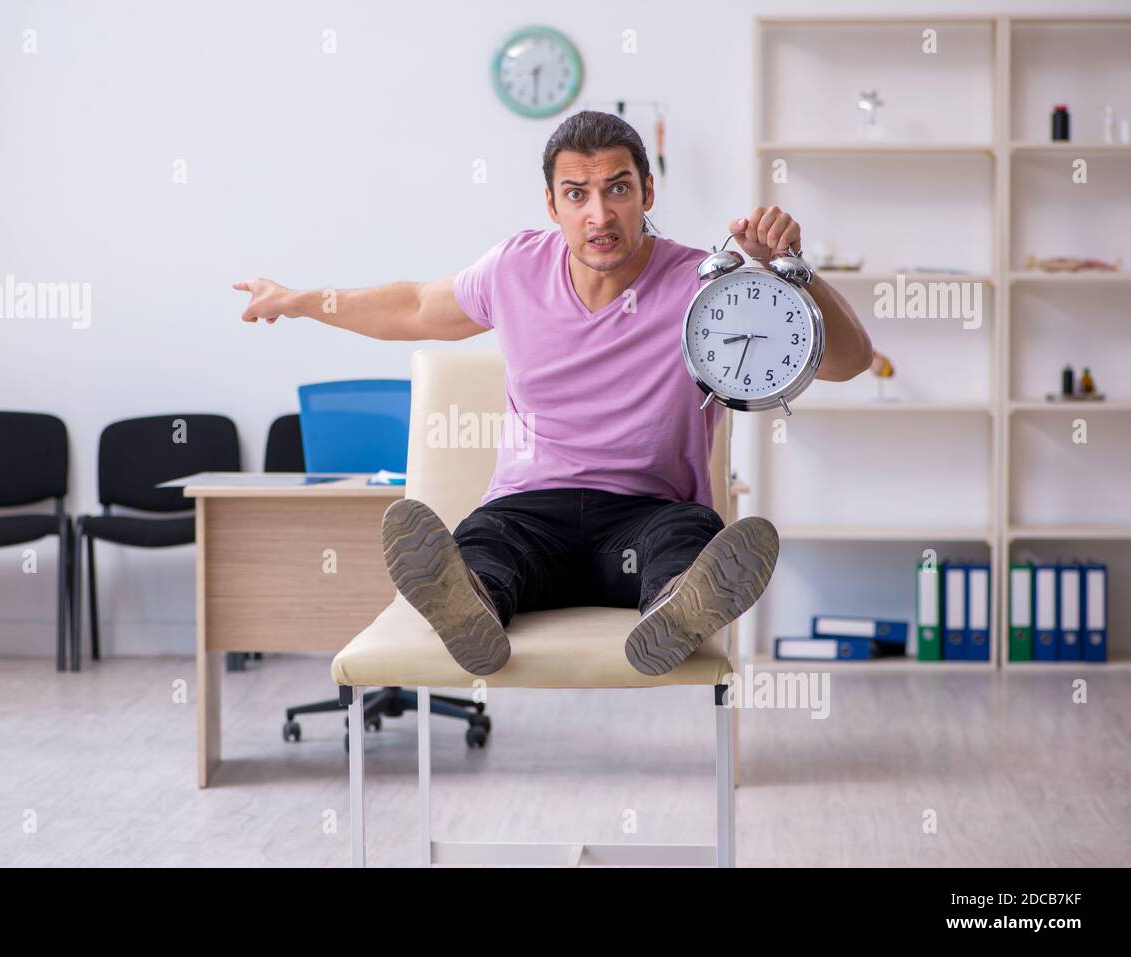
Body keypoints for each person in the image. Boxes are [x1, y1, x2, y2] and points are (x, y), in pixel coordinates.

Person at [234, 110, 873, 677]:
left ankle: (679, 607)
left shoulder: (702, 288)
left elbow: (849, 361)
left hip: (645, 515)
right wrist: (303, 301)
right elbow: (414, 304)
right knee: (484, 547)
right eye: (578, 194)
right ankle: (471, 608)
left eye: (618, 189)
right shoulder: (515, 268)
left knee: (689, 536)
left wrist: (796, 271)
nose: (600, 215)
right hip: (529, 513)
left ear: (647, 191)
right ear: (552, 205)